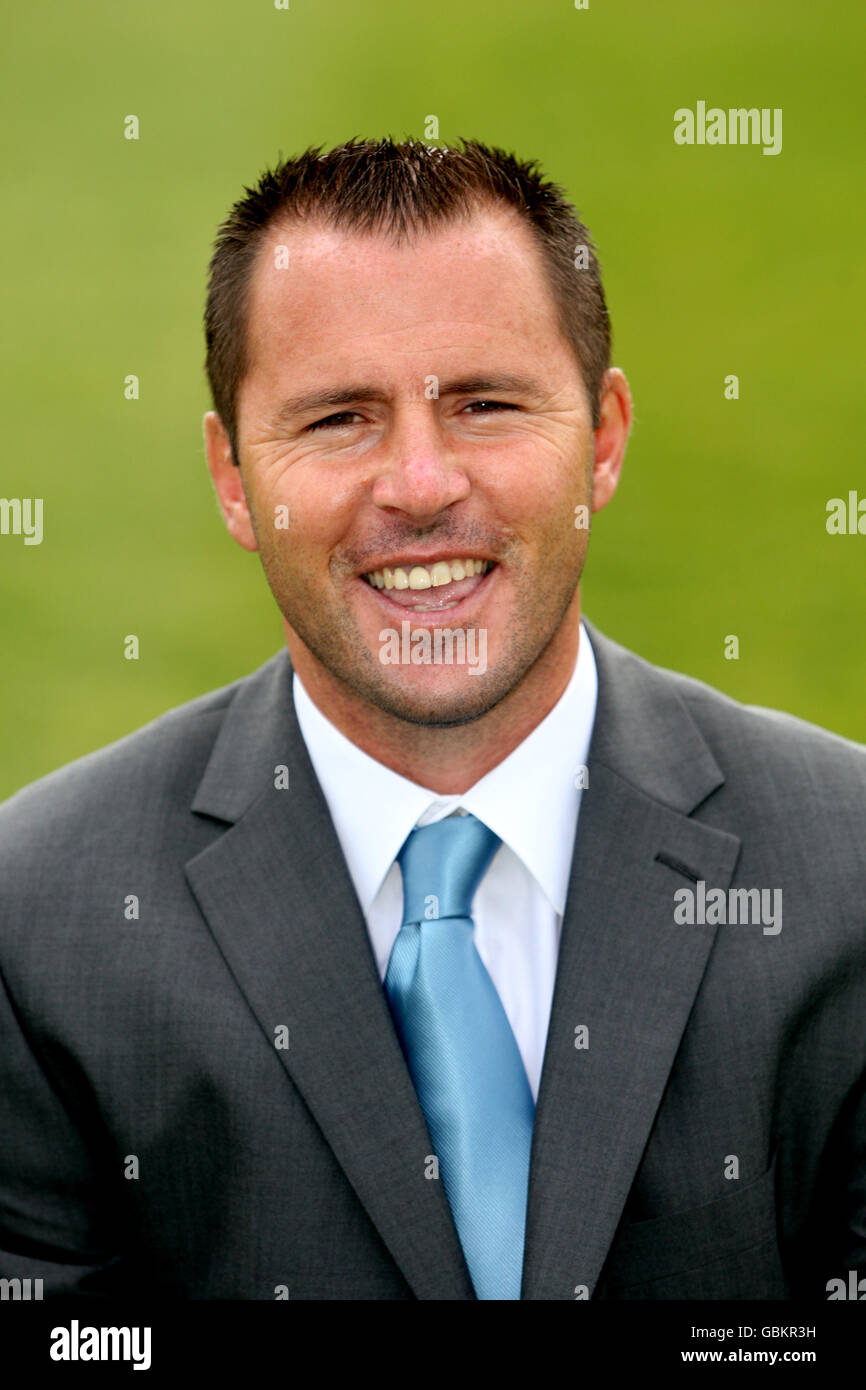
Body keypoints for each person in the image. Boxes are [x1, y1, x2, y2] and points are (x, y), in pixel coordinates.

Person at [0, 139, 863, 1302]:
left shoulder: (845, 868)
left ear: (601, 440)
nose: (417, 483)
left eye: (485, 404)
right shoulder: (37, 925)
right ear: (231, 478)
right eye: (338, 418)